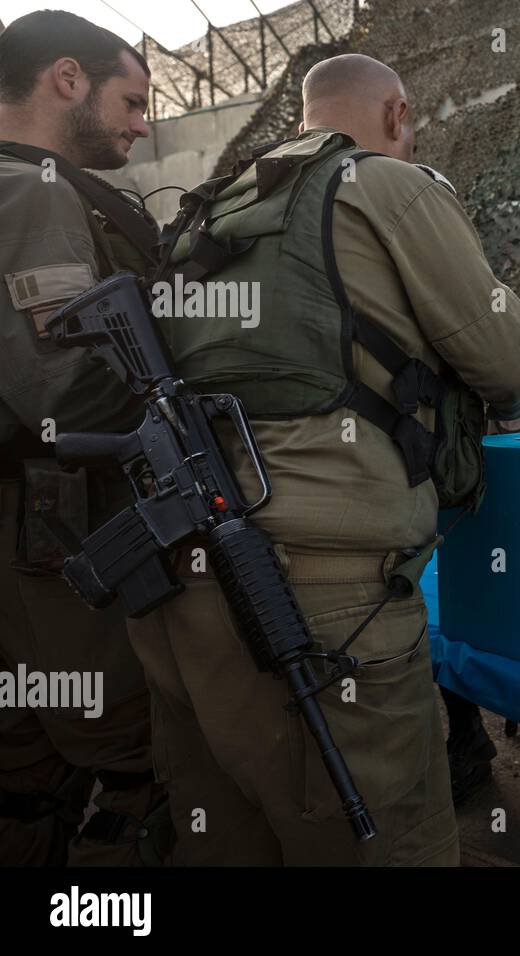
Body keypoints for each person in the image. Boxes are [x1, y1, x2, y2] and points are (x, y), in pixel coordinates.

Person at [124, 53, 520, 864]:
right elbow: (508, 359)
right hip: (324, 596)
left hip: (182, 576)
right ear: (397, 114)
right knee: (390, 839)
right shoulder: (387, 184)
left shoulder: (211, 209)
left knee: (228, 839)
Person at [0, 10, 172, 866]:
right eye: (131, 101)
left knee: (25, 766)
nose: (142, 126)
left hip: (28, 522)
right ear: (67, 79)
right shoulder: (35, 191)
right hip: (58, 524)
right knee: (131, 763)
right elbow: (63, 389)